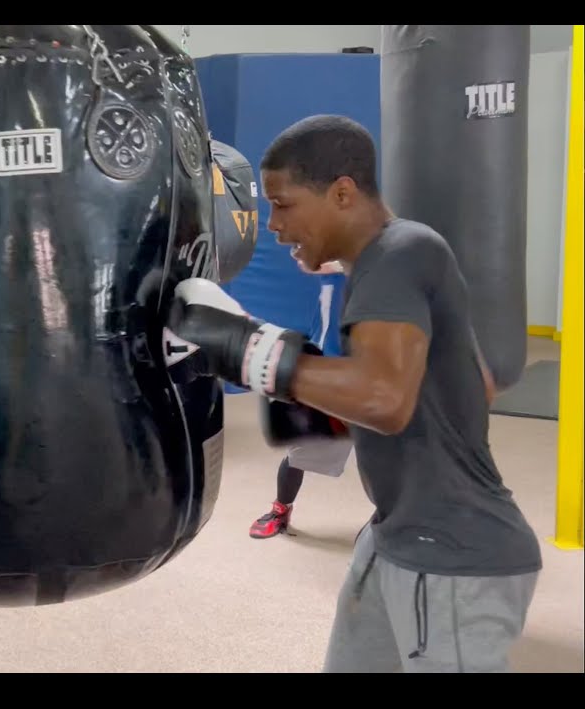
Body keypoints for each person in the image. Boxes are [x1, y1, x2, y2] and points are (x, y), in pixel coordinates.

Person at [168, 114, 542, 672]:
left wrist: (251, 353)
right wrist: (332, 407)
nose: (272, 224)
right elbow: (474, 384)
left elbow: (386, 401)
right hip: (393, 534)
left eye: (284, 204)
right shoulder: (382, 265)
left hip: (454, 556)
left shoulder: (399, 253)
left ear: (342, 193)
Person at [250, 259, 355, 539]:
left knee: (387, 458)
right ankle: (280, 509)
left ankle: (391, 523)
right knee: (299, 453)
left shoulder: (367, 276)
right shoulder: (334, 284)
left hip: (370, 379)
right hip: (335, 381)